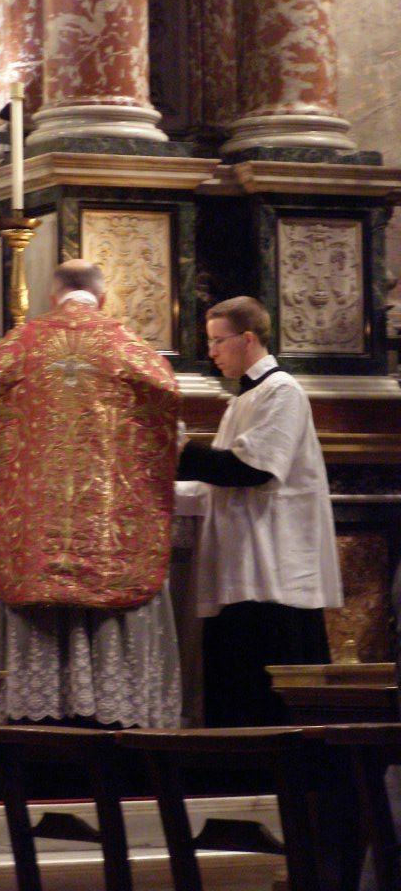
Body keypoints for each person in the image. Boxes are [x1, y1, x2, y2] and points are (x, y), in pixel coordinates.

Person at [0, 259, 181, 728]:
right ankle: (114, 721)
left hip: (38, 530)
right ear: (103, 298)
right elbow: (166, 404)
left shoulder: (15, 348)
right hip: (108, 528)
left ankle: (35, 724)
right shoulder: (133, 350)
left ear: (52, 296)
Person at [177, 295, 344, 727]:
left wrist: (181, 451)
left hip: (273, 569)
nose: (211, 352)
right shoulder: (243, 399)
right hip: (245, 560)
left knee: (269, 685)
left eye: (218, 341)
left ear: (247, 338)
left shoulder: (282, 391)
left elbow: (251, 469)